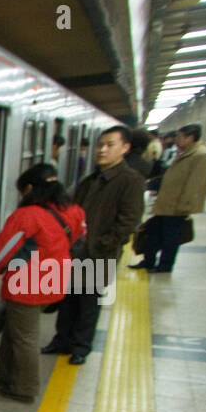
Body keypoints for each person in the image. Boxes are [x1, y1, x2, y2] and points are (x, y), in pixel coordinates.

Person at [43, 125, 144, 365]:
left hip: (99, 253)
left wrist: (102, 245)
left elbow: (129, 221)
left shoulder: (130, 181)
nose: (102, 150)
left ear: (125, 148)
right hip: (76, 250)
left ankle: (81, 346)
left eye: (110, 145)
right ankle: (62, 340)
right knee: (68, 298)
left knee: (88, 301)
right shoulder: (91, 179)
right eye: (100, 145)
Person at [0, 164, 86, 402]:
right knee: (15, 330)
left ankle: (24, 388)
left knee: (25, 338)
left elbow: (3, 253)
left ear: (31, 188)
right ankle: (4, 373)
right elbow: (78, 237)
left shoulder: (27, 215)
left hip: (28, 285)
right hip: (57, 278)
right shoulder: (73, 209)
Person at [131, 123, 206, 274]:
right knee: (153, 233)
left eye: (180, 137)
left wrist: (185, 206)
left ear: (190, 138)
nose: (176, 140)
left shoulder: (199, 155)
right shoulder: (185, 152)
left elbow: (196, 183)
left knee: (170, 239)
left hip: (177, 207)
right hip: (166, 203)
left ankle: (165, 266)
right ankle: (148, 262)